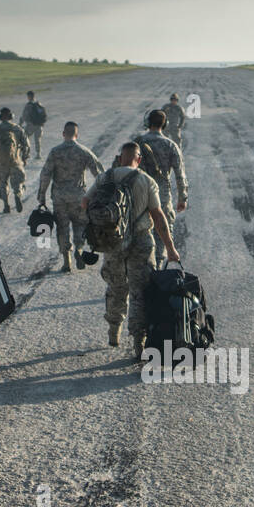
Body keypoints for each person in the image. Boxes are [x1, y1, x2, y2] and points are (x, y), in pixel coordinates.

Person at [81, 142, 180, 361]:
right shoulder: (146, 180)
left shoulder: (105, 178)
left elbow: (85, 202)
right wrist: (171, 248)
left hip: (112, 242)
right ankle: (139, 341)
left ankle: (113, 331)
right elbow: (158, 216)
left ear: (120, 157)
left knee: (116, 287)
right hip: (142, 243)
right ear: (139, 159)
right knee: (140, 291)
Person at [37, 122, 104, 272]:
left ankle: (67, 261)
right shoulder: (84, 151)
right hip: (79, 197)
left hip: (60, 197)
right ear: (76, 135)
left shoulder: (55, 152)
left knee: (62, 228)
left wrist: (42, 196)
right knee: (80, 225)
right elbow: (99, 174)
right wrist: (100, 194)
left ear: (63, 134)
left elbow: (45, 175)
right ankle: (79, 250)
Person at [136, 110, 188, 268]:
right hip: (162, 197)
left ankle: (144, 269)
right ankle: (157, 267)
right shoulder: (170, 145)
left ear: (148, 122)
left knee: (139, 234)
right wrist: (182, 198)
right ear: (164, 124)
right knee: (162, 235)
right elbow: (180, 174)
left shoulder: (137, 142)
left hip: (140, 196)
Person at [0, 107, 30, 213]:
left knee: (2, 183)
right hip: (15, 160)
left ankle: (6, 204)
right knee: (18, 182)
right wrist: (24, 158)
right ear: (11, 116)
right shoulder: (18, 129)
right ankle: (18, 195)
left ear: (0, 117)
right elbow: (27, 145)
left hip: (1, 162)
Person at [20, 90, 46, 159]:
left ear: (29, 96)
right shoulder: (39, 104)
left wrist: (20, 123)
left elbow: (24, 116)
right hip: (39, 125)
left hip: (31, 125)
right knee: (38, 139)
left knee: (25, 138)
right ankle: (38, 154)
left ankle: (26, 153)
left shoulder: (29, 105)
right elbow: (44, 114)